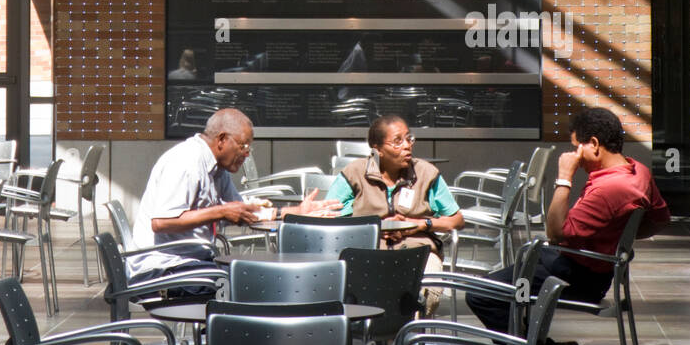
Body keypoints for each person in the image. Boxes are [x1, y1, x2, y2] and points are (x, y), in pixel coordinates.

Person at [466, 107, 670, 339]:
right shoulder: (639, 172)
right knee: (522, 268)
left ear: (593, 144)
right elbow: (660, 219)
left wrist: (564, 177)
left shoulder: (608, 190)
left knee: (480, 293)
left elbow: (554, 232)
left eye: (576, 147)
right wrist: (617, 240)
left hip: (576, 279)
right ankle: (530, 342)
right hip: (583, 267)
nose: (575, 156)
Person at [129, 107, 337, 280]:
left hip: (191, 260)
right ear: (221, 140)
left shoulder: (218, 169)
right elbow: (162, 222)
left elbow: (242, 212)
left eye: (249, 149)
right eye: (243, 146)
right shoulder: (186, 162)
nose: (246, 154)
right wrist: (220, 212)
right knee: (246, 284)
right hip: (162, 267)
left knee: (259, 276)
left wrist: (296, 211)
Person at [324, 114, 464, 313]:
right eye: (398, 142)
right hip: (368, 250)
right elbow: (328, 217)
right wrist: (374, 228)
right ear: (377, 149)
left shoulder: (426, 173)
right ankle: (380, 337)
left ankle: (408, 338)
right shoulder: (354, 173)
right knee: (367, 294)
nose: (407, 146)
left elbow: (457, 220)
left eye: (409, 139)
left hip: (418, 249)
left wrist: (421, 224)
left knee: (426, 293)